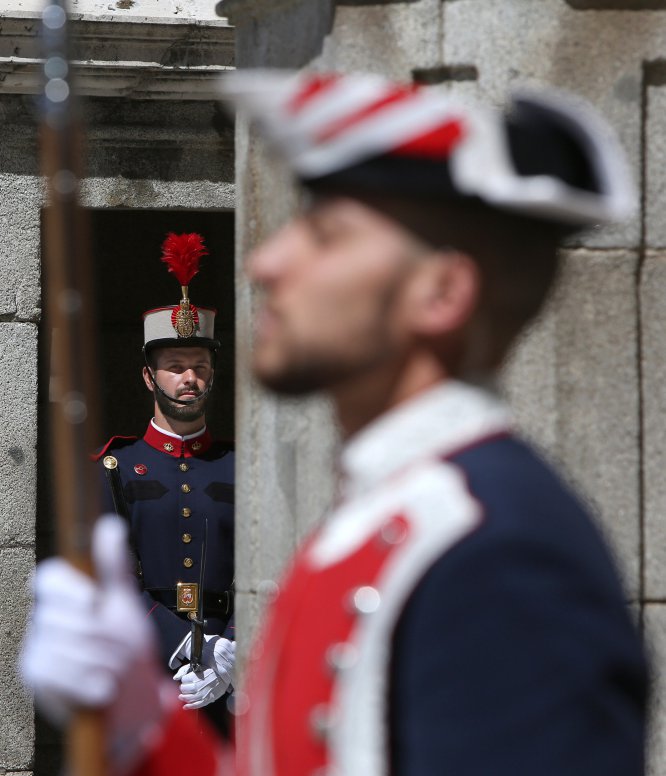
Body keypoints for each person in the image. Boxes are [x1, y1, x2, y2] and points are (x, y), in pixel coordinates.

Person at [22, 72, 649, 776]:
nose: (265, 262)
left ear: (440, 293)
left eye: (325, 234)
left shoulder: (500, 552)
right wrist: (144, 725)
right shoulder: (380, 517)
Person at [92, 231, 236, 721]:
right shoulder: (114, 469)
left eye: (200, 366)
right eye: (175, 367)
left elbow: (269, 563)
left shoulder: (240, 466)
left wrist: (230, 652)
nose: (189, 378)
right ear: (149, 378)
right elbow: (106, 581)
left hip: (231, 674)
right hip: (146, 670)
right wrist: (179, 646)